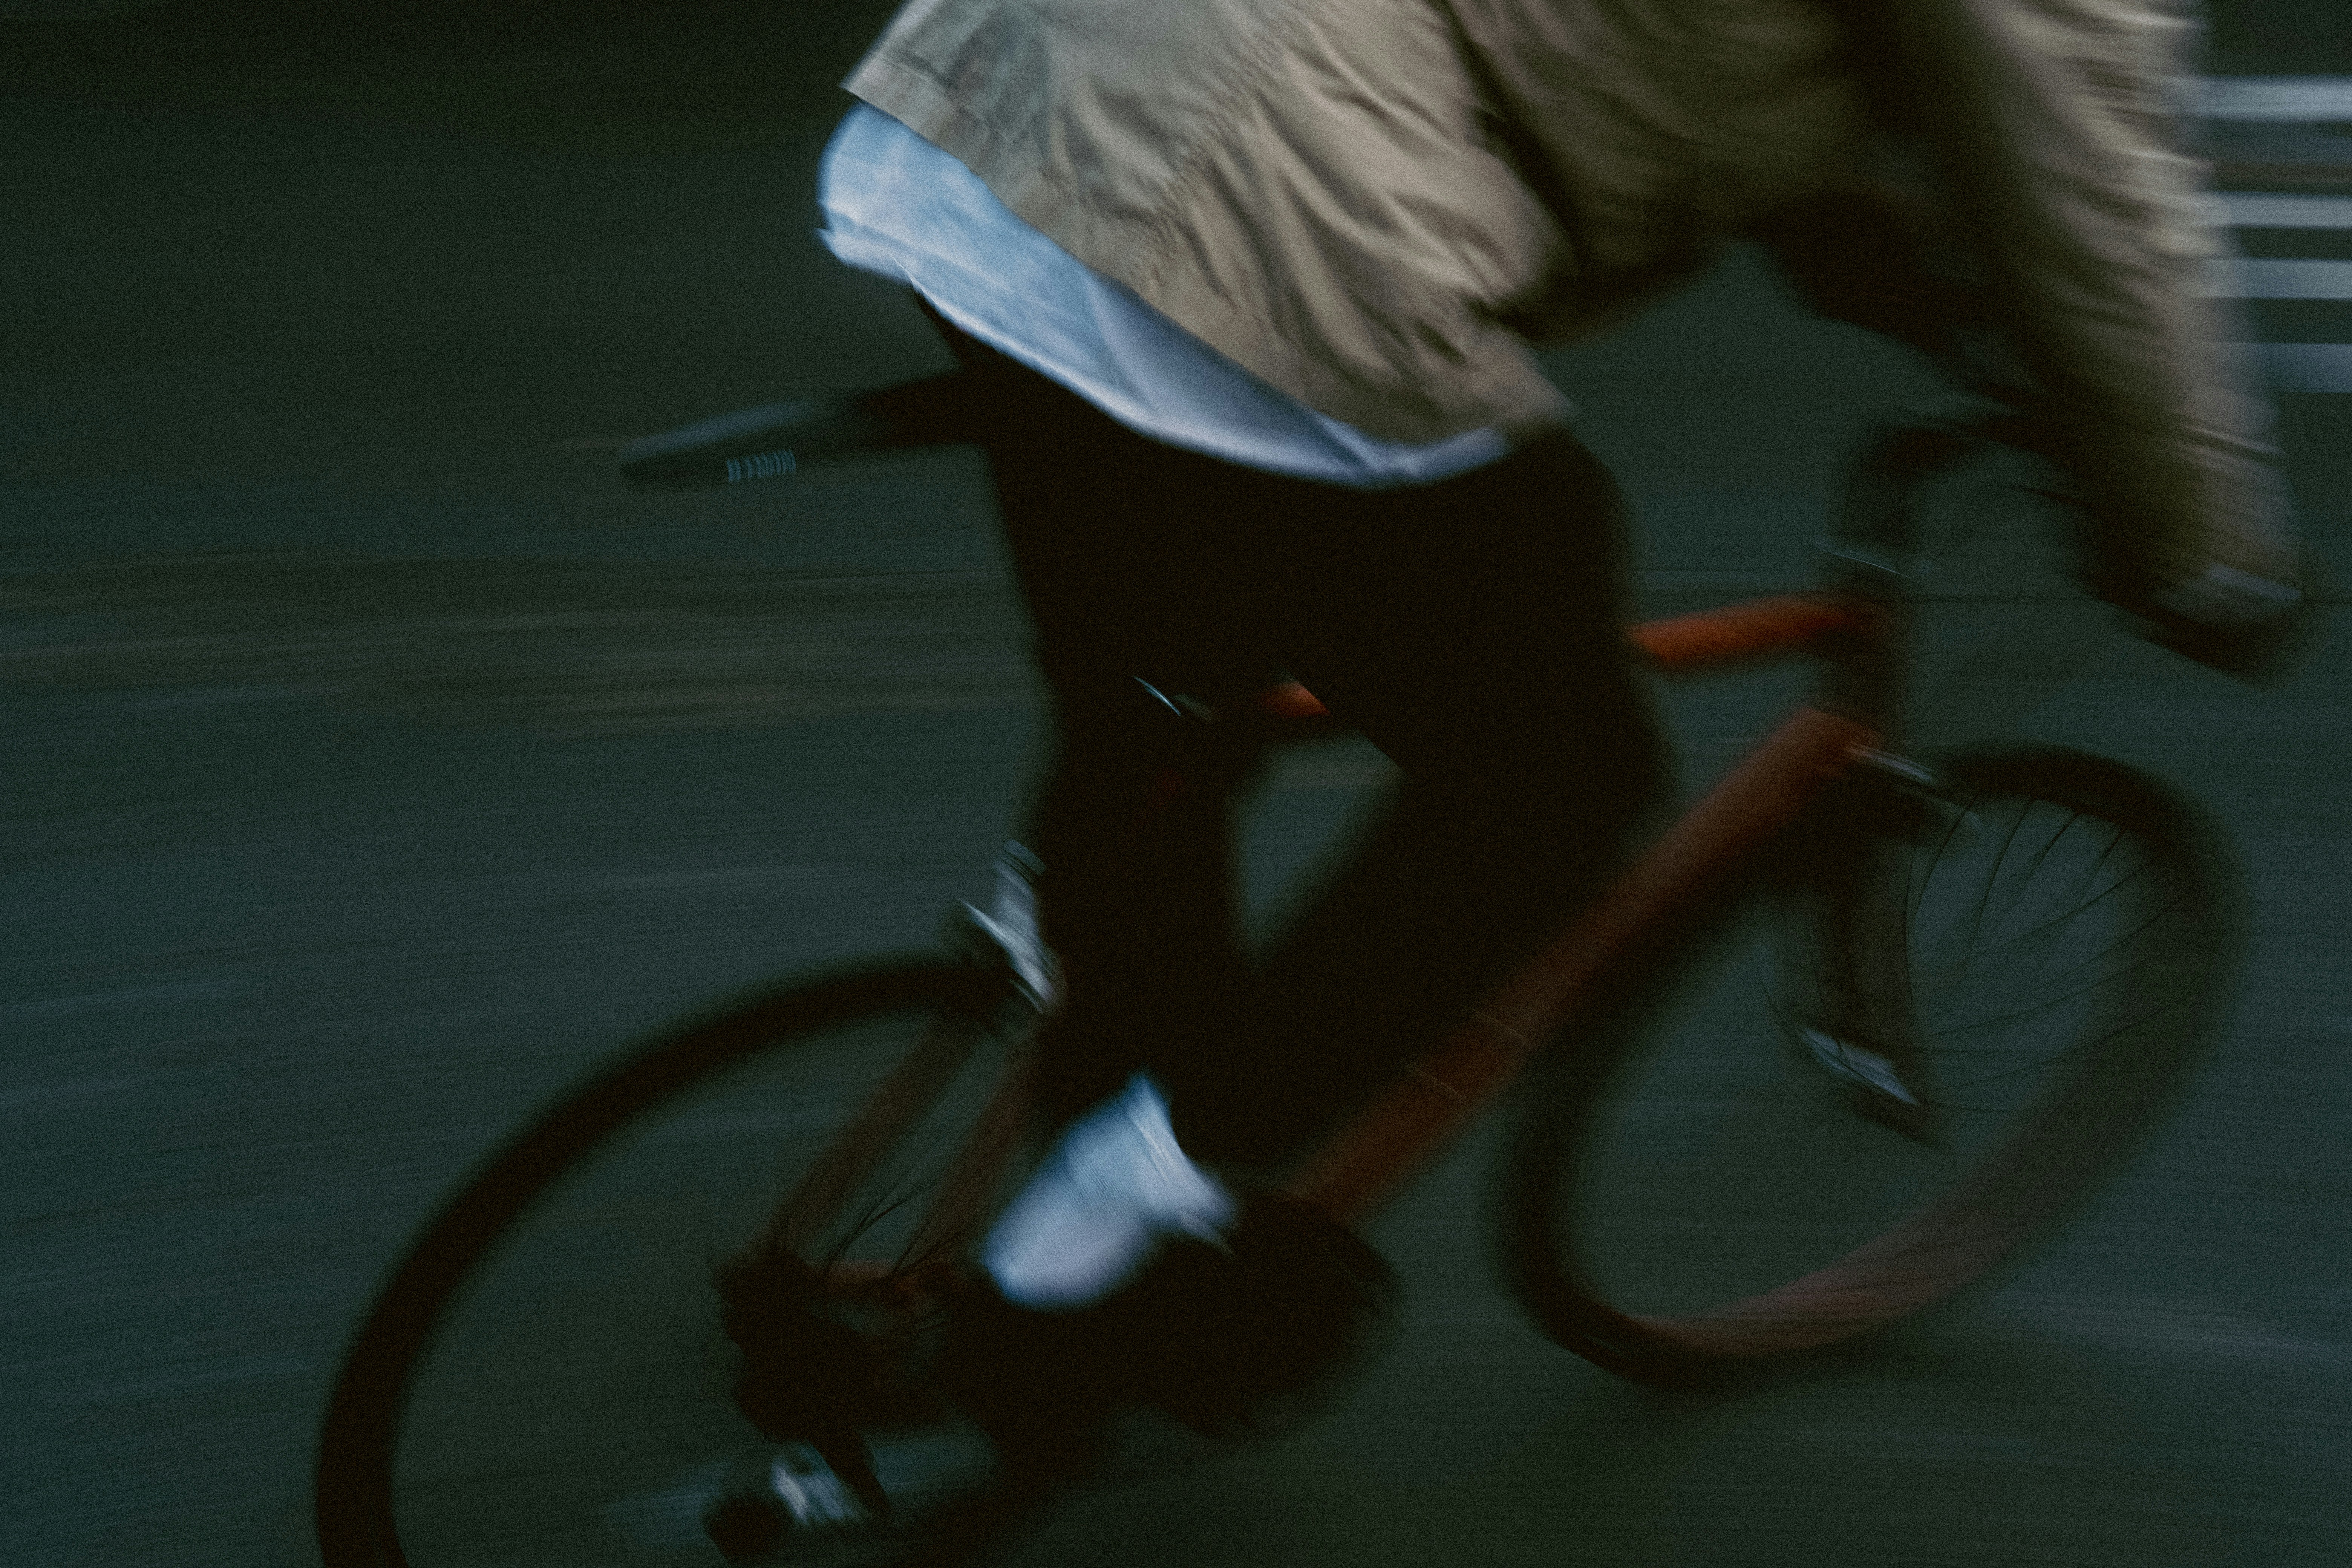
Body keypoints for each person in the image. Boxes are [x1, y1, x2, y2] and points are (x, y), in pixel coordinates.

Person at [740, 0, 2308, 1518]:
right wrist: (2205, 549)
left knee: (1158, 716)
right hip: (1250, 190)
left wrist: (1893, 269)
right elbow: (2094, 199)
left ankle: (1039, 1190)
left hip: (1000, 104)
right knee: (1552, 774)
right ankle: (1075, 1270)